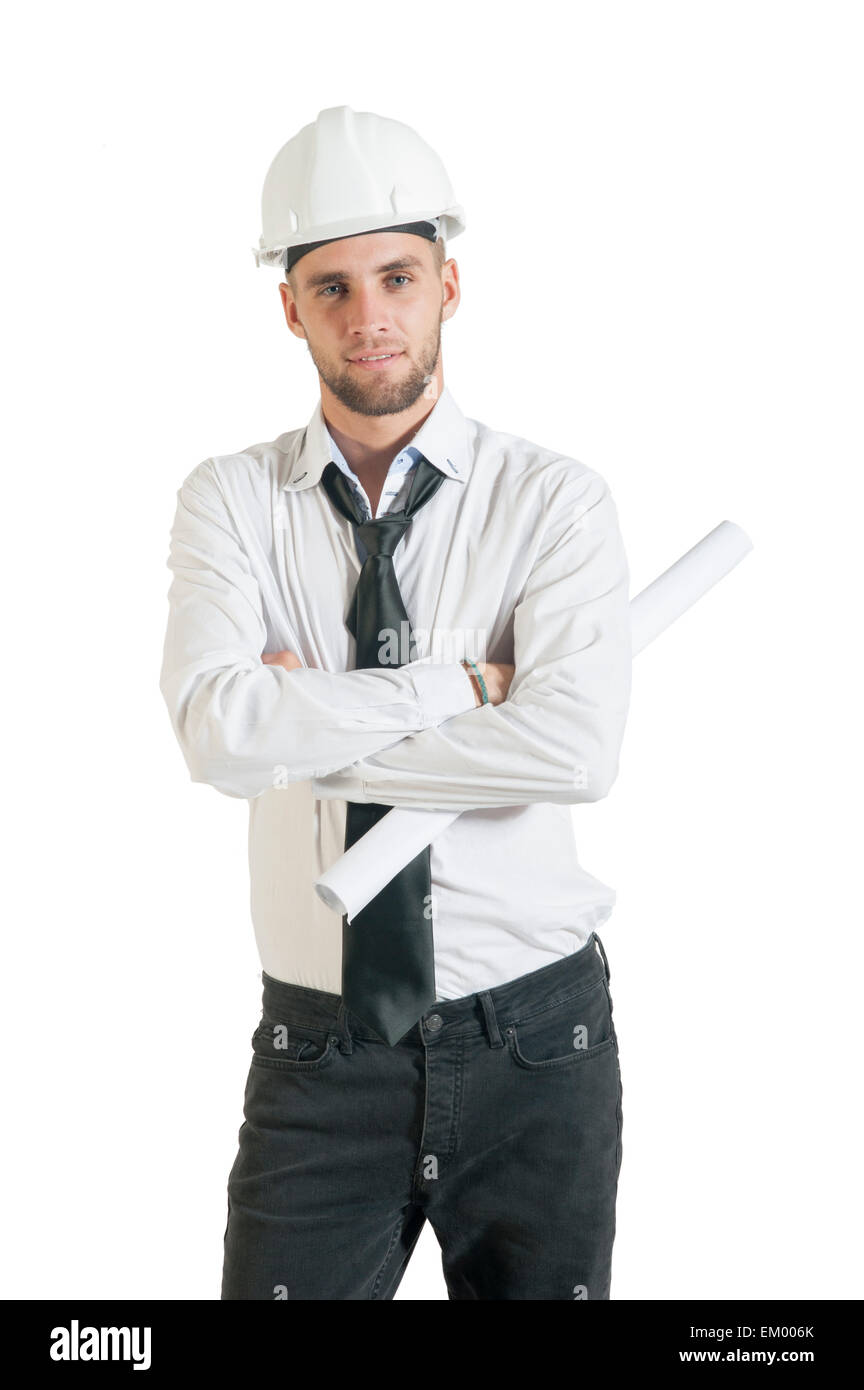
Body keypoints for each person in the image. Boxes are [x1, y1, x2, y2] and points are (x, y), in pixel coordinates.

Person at [159, 105, 633, 1300]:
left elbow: (573, 750)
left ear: (449, 284)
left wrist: (303, 726)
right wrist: (465, 690)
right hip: (321, 1052)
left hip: (536, 1037)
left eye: (397, 277)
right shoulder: (231, 502)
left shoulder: (554, 504)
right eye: (332, 286)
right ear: (290, 306)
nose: (369, 317)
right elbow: (215, 734)